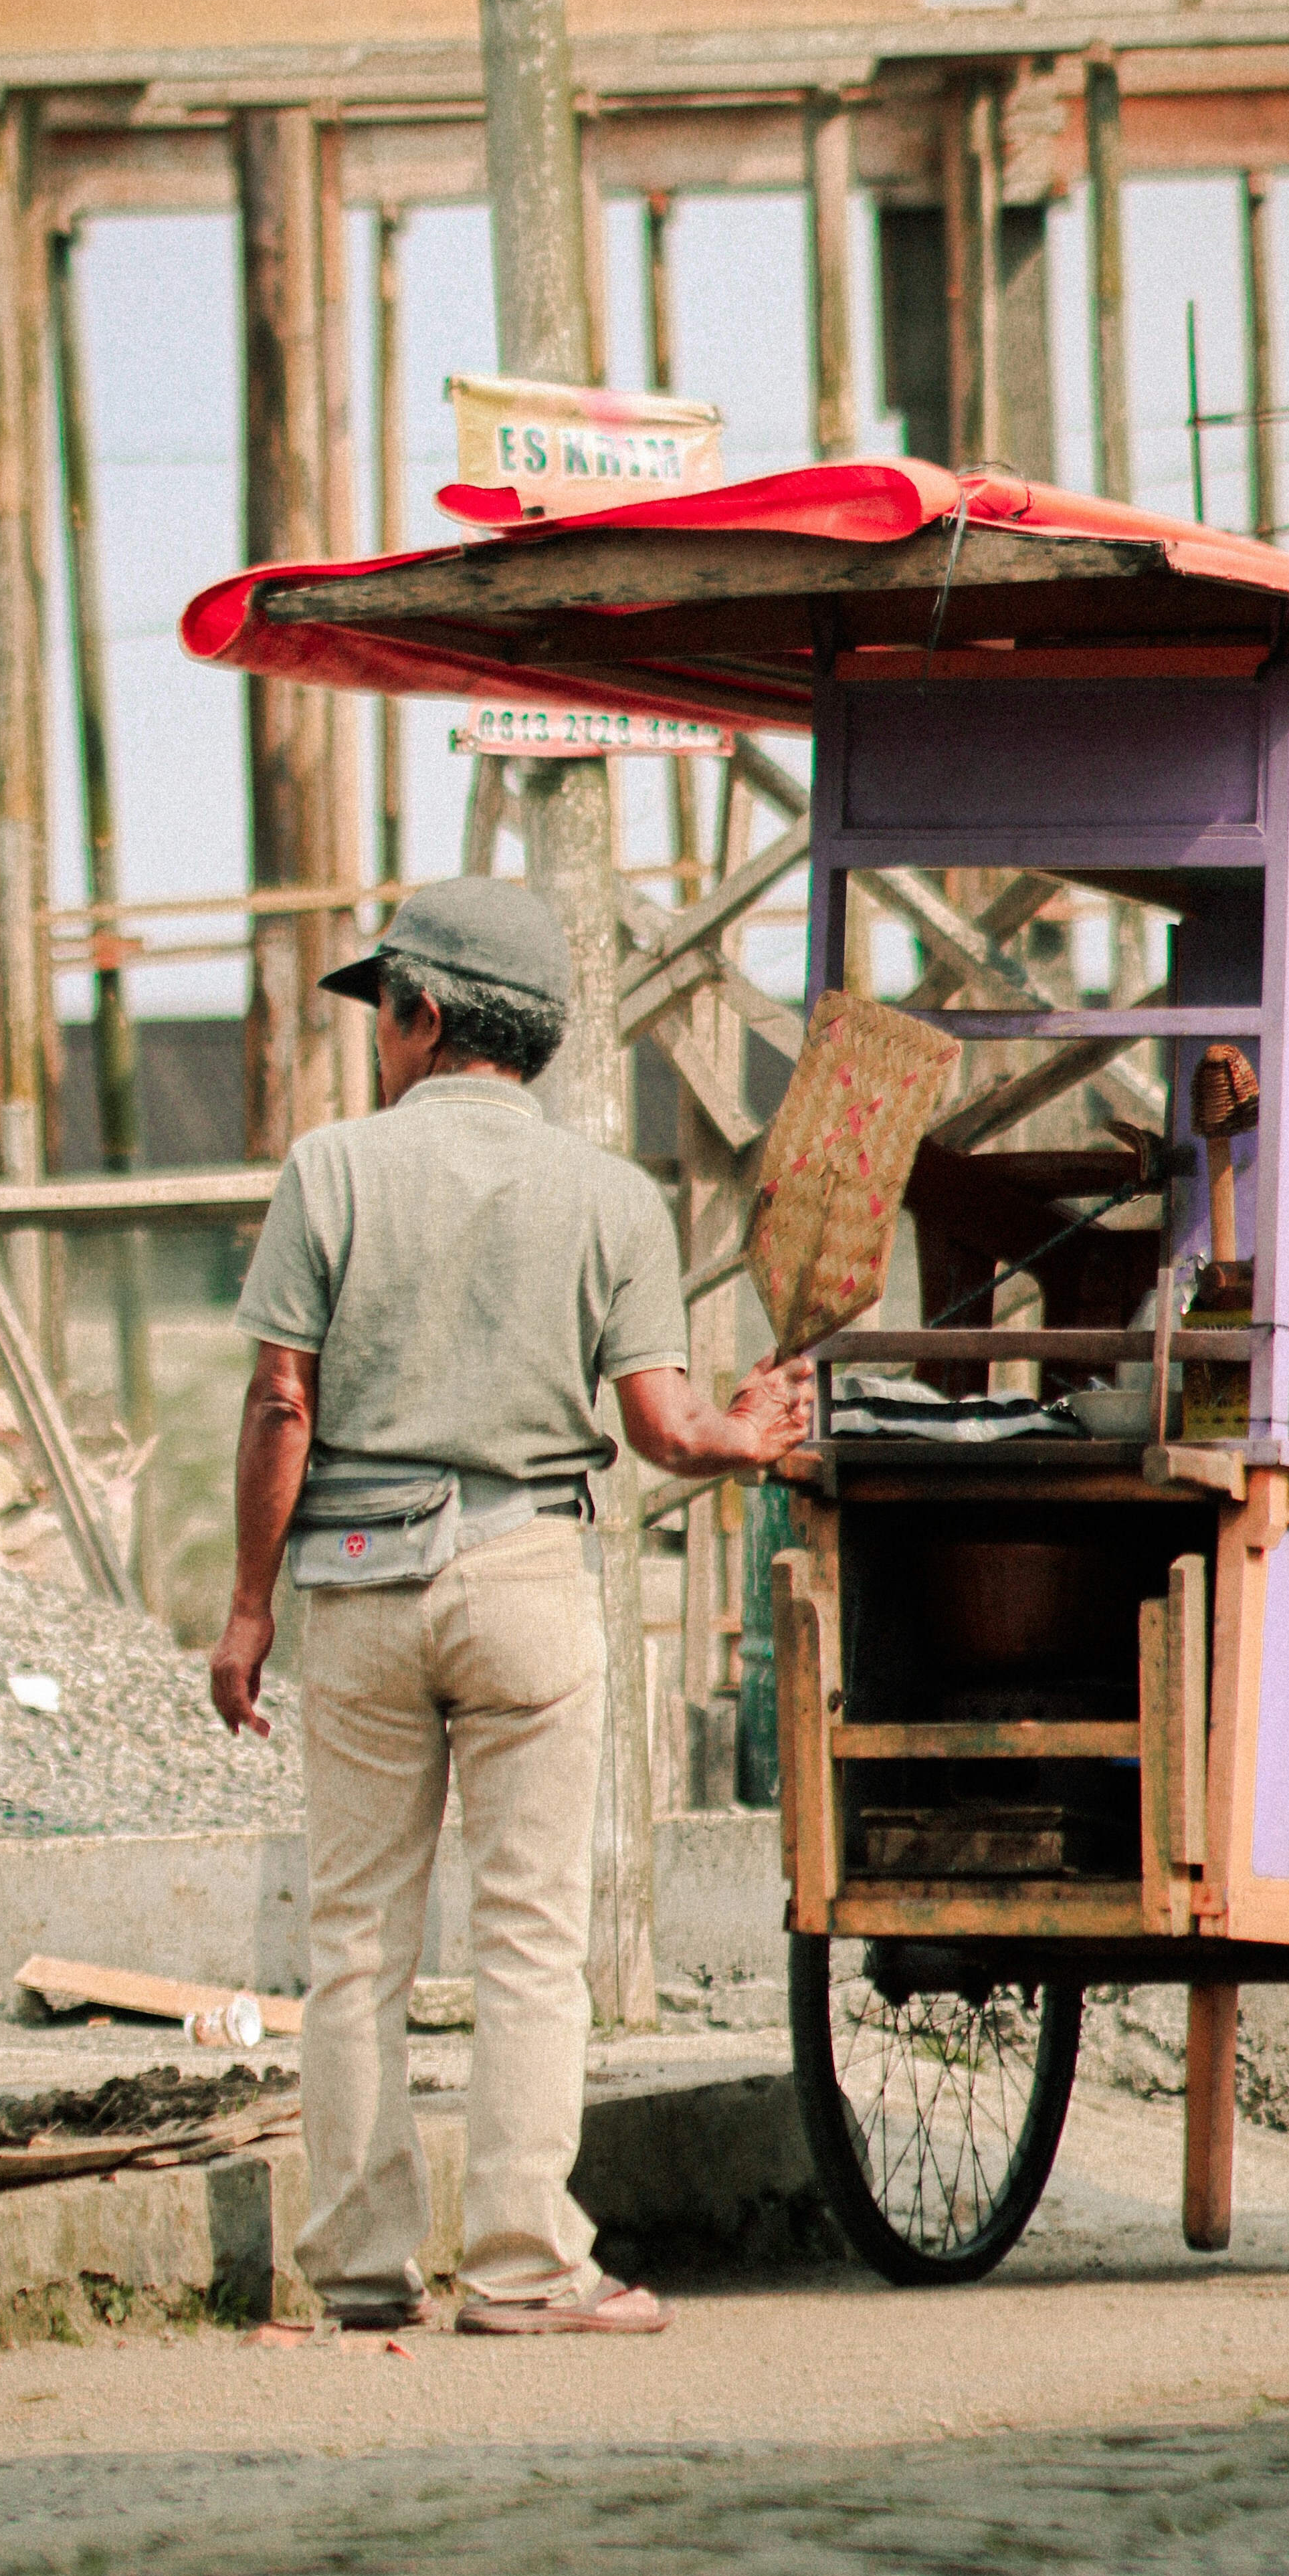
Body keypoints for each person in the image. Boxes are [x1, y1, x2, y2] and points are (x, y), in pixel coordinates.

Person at [210, 877, 813, 2338]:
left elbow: (283, 1399)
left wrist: (246, 1609)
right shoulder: (614, 1197)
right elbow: (666, 1427)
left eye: (385, 1011)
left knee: (357, 1942)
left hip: (357, 1589)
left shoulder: (329, 1171)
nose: (380, 1038)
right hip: (534, 1583)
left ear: (423, 1015)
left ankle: (360, 2270)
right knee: (532, 1937)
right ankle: (523, 2270)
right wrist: (751, 1430)